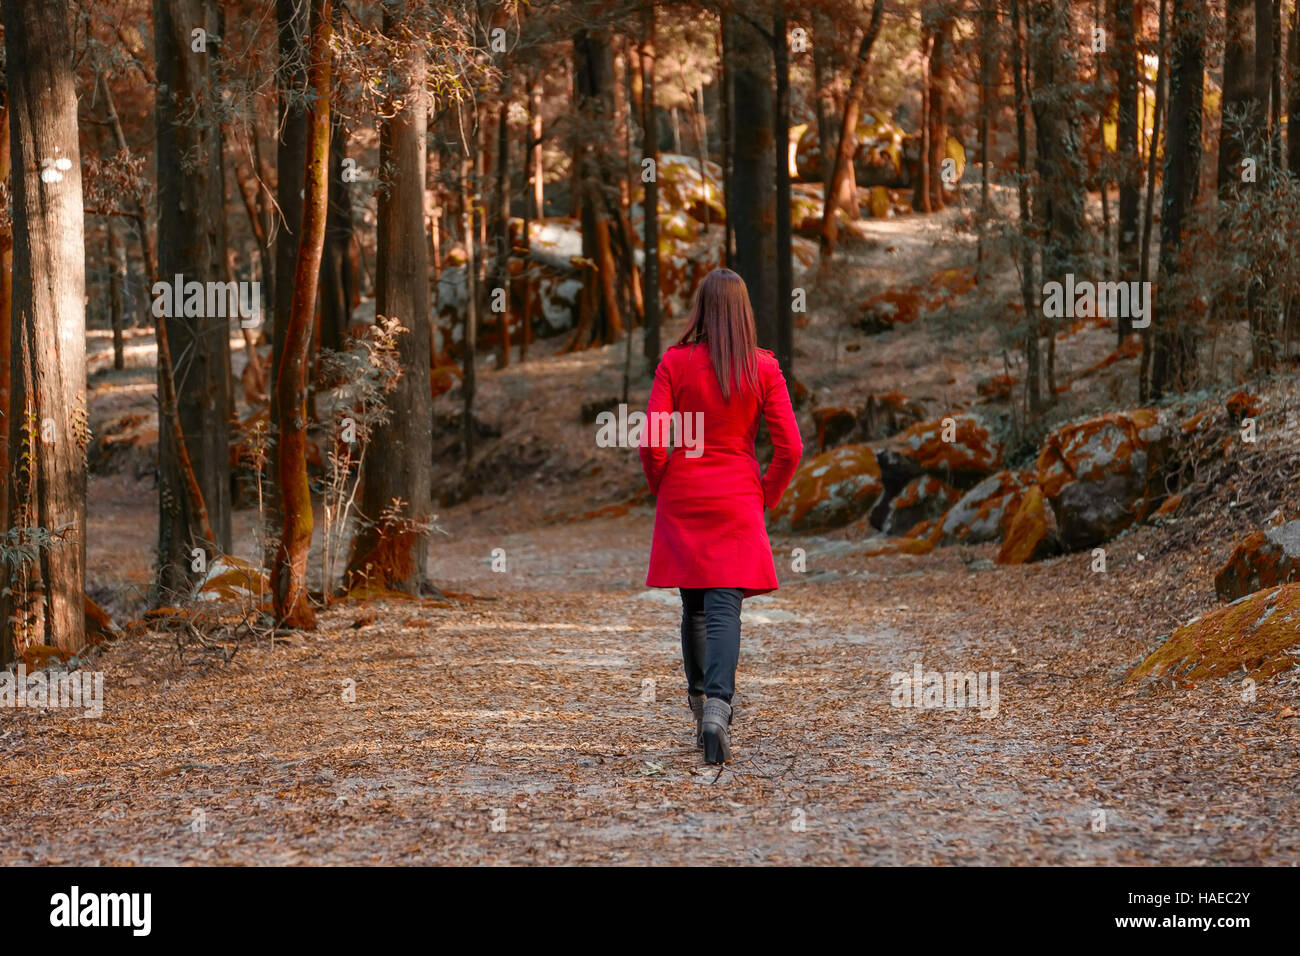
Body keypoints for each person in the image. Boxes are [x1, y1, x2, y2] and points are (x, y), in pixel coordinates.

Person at [639, 268, 803, 764]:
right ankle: (717, 708)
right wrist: (764, 495)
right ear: (744, 311)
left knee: (695, 608)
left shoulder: (675, 362)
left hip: (685, 494)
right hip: (736, 497)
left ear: (701, 309)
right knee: (726, 607)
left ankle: (698, 705)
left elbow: (651, 442)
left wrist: (662, 485)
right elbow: (790, 448)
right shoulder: (763, 369)